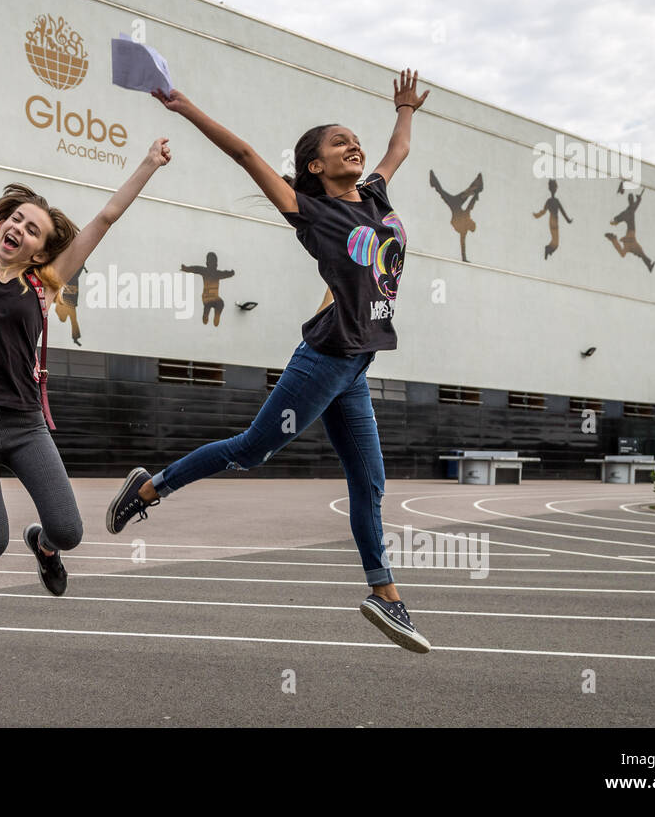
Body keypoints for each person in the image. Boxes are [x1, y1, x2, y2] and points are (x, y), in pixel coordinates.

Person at [106, 69, 432, 654]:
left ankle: (385, 597)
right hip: (323, 361)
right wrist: (184, 106)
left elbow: (398, 148)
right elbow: (245, 153)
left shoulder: (377, 195)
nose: (353, 146)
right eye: (339, 143)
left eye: (354, 140)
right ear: (314, 166)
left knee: (370, 483)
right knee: (252, 450)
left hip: (356, 367)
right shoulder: (310, 211)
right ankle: (150, 488)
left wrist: (405, 108)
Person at [0, 75, 172, 596]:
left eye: (32, 230)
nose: (19, 229)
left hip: (24, 424)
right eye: (16, 219)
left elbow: (106, 218)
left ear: (41, 252)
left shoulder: (45, 285)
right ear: (2, 222)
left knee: (69, 531)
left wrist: (148, 163)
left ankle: (42, 546)